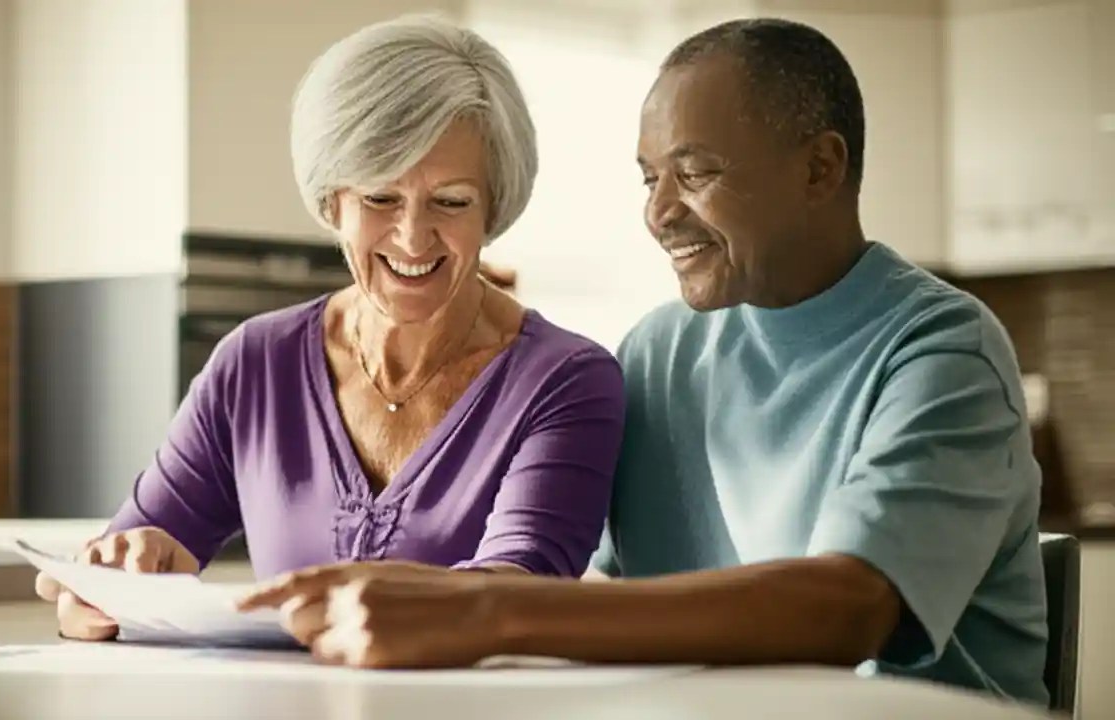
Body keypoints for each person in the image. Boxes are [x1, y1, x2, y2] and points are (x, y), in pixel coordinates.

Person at [237, 18, 1049, 706]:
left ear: (820, 169)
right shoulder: (659, 352)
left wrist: (489, 607)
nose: (659, 213)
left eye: (694, 174)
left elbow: (848, 609)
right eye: (650, 178)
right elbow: (606, 597)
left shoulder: (942, 349)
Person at [36, 16, 625, 642]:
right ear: (331, 203)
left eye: (451, 202)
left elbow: (523, 591)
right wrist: (111, 580)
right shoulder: (253, 364)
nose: (412, 237)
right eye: (379, 198)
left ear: (493, 207)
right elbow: (94, 596)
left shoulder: (568, 382)